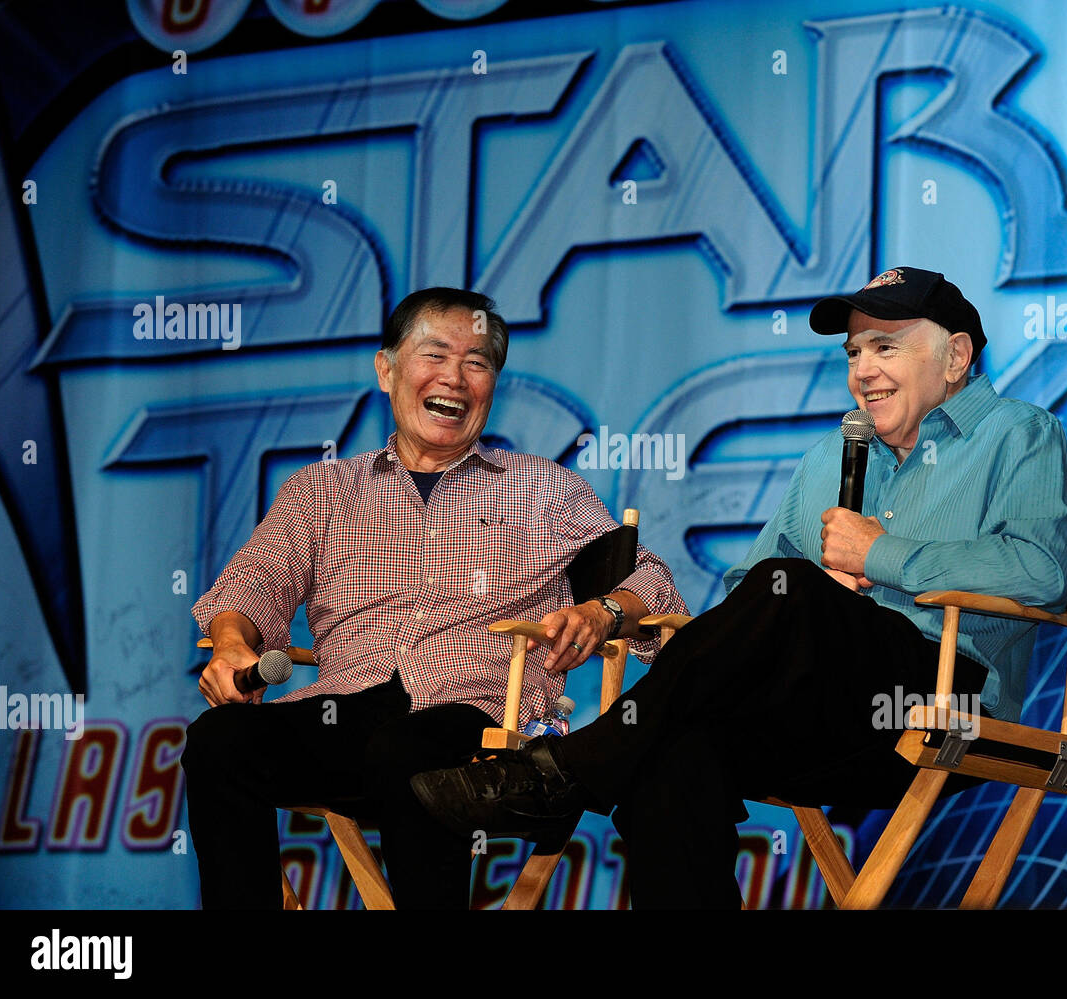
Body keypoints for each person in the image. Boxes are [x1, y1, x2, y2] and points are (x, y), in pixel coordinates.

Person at [411, 267, 1067, 908]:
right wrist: (809, 591)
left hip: (943, 694)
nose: (862, 371)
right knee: (672, 754)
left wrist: (883, 555)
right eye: (853, 353)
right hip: (823, 711)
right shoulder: (830, 455)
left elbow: (1043, 572)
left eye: (885, 348)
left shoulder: (1018, 434)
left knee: (788, 590)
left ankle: (566, 768)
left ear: (956, 355)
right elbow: (749, 591)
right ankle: (583, 767)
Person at [180, 287, 687, 909]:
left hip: (481, 718)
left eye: (477, 363)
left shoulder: (541, 487)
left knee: (409, 752)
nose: (455, 377)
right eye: (436, 354)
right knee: (218, 742)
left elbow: (652, 586)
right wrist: (232, 645)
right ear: (386, 368)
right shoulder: (322, 490)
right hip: (349, 712)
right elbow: (249, 588)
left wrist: (600, 611)